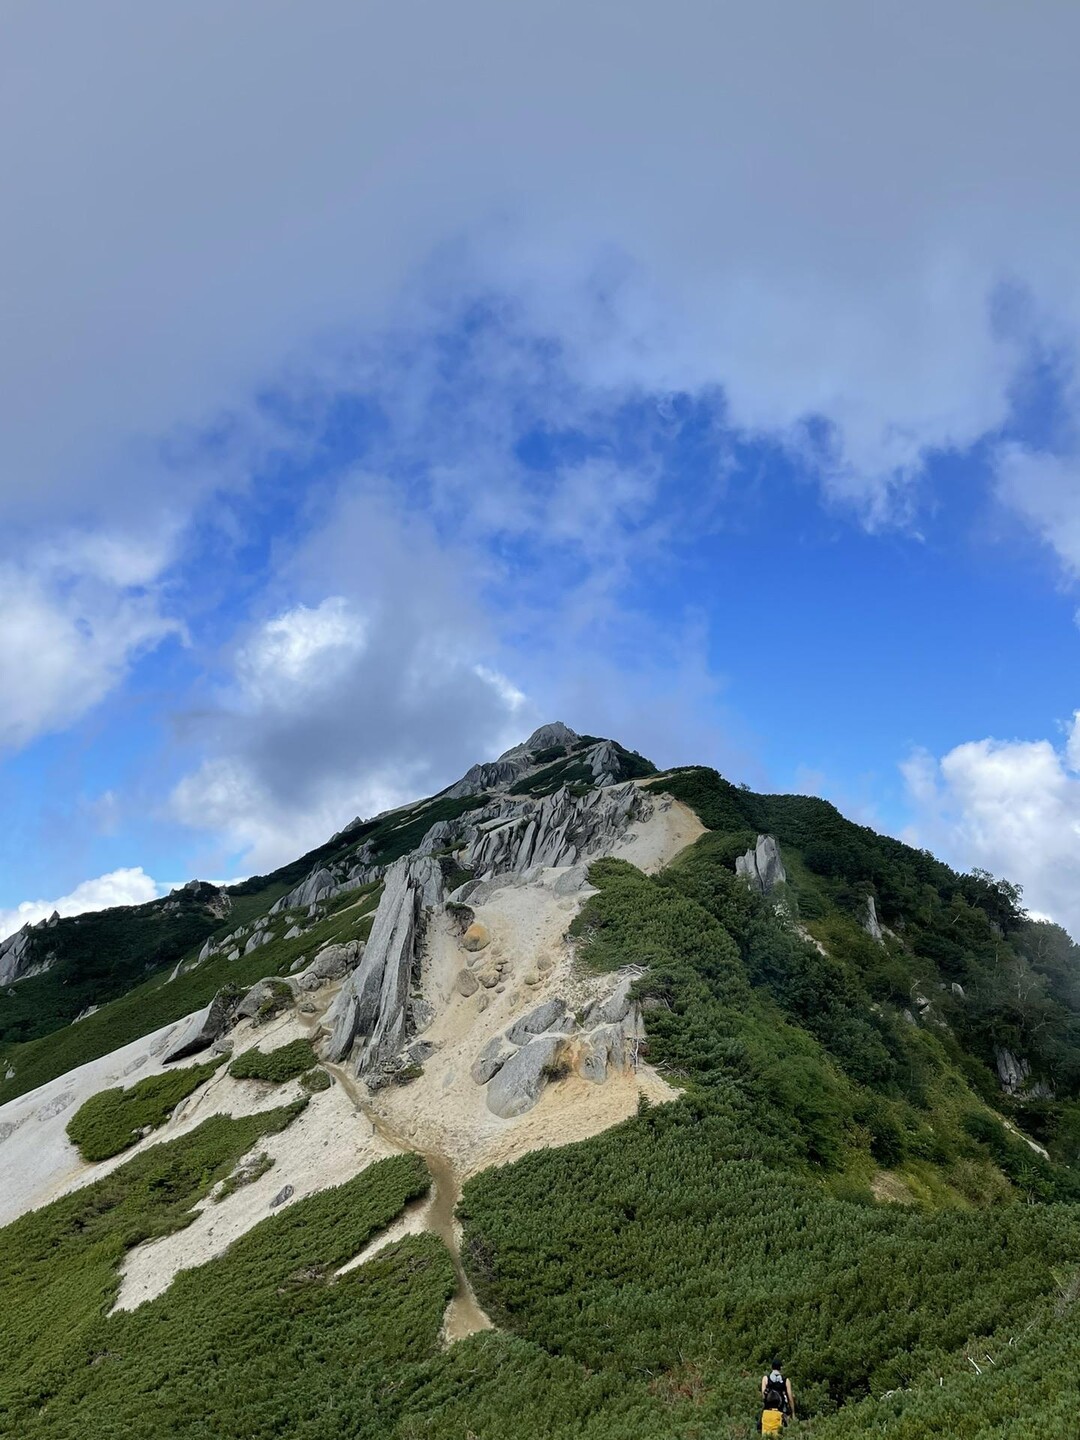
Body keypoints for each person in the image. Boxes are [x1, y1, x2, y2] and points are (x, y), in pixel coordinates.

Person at [760, 1361, 795, 1432]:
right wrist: (793, 1412)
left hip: (768, 1410)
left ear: (772, 1367)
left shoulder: (766, 1378)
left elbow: (763, 1396)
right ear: (780, 1368)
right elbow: (790, 1398)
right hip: (781, 1409)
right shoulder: (786, 1380)